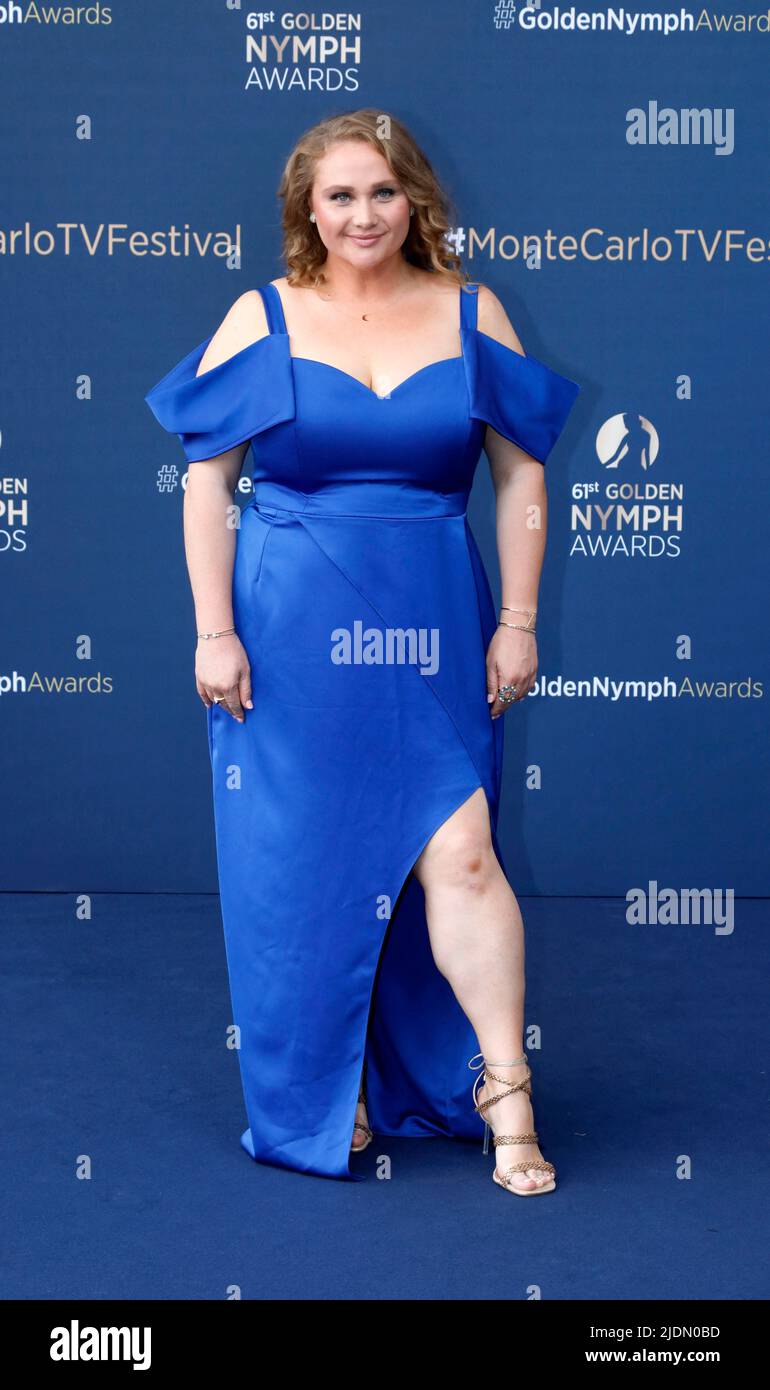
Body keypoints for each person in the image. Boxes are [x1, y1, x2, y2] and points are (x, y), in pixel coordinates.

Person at [144, 108, 580, 1194]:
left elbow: (522, 476)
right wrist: (214, 630)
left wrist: (516, 620)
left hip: (430, 615)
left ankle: (503, 1091)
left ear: (414, 200)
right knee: (302, 868)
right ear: (306, 208)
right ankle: (321, 1092)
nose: (361, 214)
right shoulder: (264, 314)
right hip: (291, 627)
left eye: (381, 192)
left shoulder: (475, 311)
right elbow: (208, 481)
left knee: (464, 852)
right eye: (338, 195)